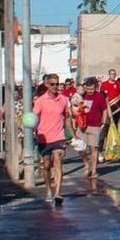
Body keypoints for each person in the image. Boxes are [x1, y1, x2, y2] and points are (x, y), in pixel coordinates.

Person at [33, 74, 71, 208]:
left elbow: (66, 117)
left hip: (59, 137)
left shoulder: (63, 99)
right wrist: (31, 125)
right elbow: (34, 117)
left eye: (57, 84)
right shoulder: (40, 101)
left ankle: (58, 193)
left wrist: (71, 135)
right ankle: (48, 189)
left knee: (58, 163)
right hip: (44, 137)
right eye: (53, 84)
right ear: (47, 85)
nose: (56, 87)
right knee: (47, 166)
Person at [79, 76, 109, 190]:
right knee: (80, 147)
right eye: (88, 88)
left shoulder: (99, 96)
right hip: (83, 125)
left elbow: (104, 109)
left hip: (95, 125)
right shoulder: (83, 96)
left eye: (92, 89)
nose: (90, 91)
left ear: (95, 87)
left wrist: (103, 123)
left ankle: (94, 170)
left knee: (93, 148)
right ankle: (87, 163)